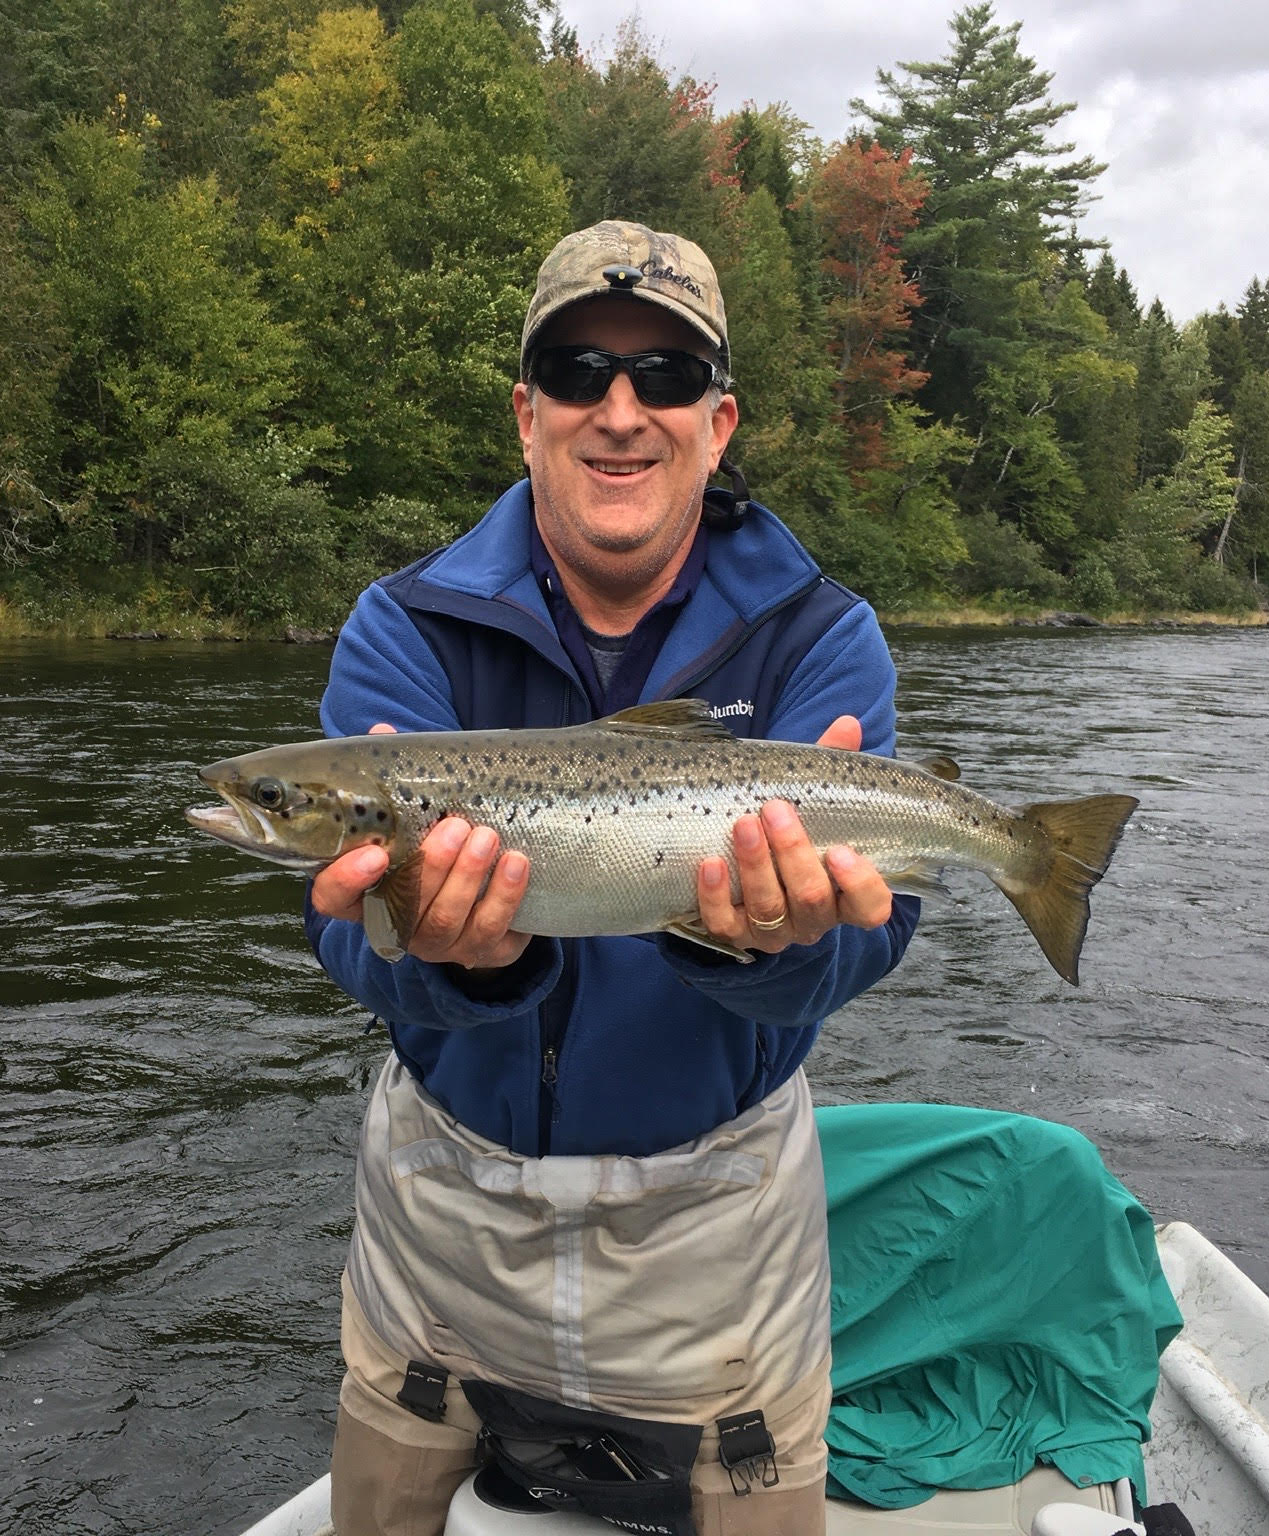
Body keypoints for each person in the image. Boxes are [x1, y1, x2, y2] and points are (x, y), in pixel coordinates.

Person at [304, 221, 920, 1536]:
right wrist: (456, 959)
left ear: (720, 419)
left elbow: (876, 927)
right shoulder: (401, 630)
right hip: (437, 1230)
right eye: (580, 372)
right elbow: (354, 940)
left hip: (722, 1242)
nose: (620, 411)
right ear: (527, 416)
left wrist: (781, 946)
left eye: (665, 376)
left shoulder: (824, 636)